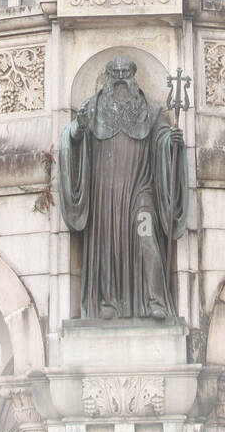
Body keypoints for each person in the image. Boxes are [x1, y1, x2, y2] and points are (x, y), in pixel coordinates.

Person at [58, 55, 187, 320]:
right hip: (104, 195)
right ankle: (108, 301)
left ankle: (155, 300)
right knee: (108, 244)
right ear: (106, 77)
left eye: (124, 72)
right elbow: (71, 135)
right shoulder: (92, 107)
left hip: (142, 191)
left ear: (133, 76)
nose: (119, 77)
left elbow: (162, 138)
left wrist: (170, 142)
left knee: (147, 237)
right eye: (114, 72)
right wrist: (77, 130)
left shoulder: (151, 110)